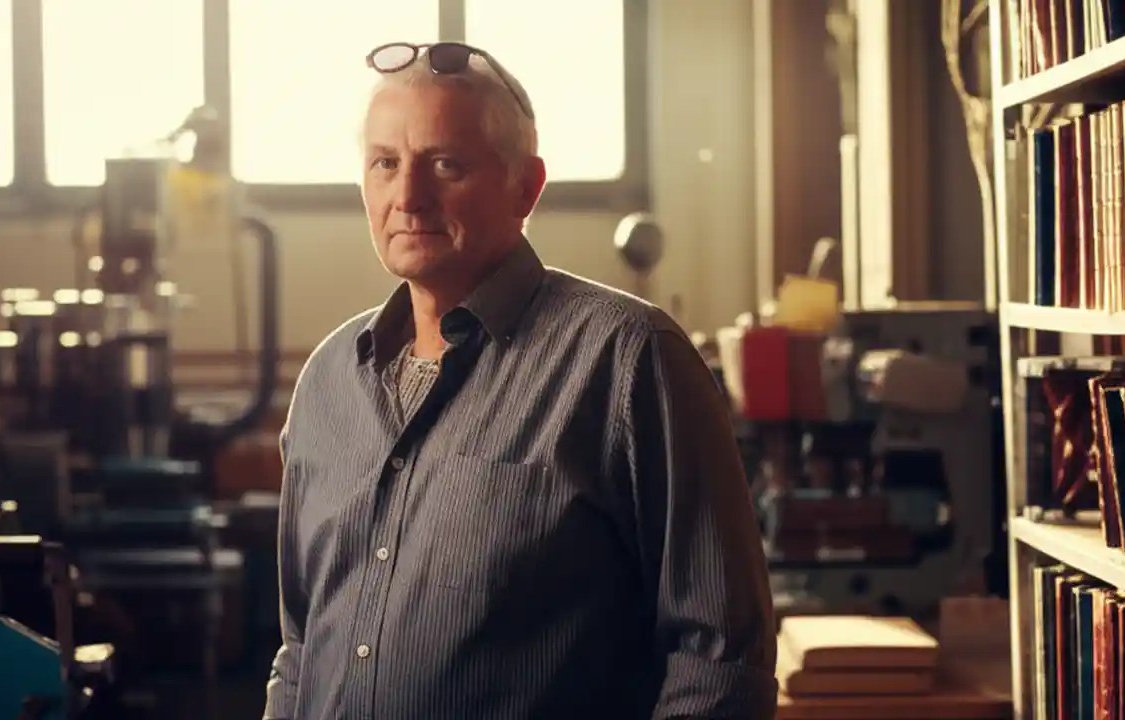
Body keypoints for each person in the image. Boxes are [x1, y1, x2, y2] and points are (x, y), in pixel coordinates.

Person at [264, 40, 777, 720]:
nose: (408, 197)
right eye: (385, 163)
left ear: (526, 186)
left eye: (446, 165)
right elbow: (302, 648)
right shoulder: (329, 379)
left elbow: (720, 660)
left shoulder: (626, 358)